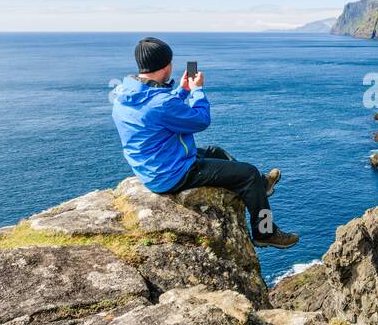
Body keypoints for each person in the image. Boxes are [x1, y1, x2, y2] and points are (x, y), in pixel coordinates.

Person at [110, 36, 299, 248]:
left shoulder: (125, 93)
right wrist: (198, 90)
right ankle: (265, 232)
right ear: (167, 66)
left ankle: (260, 186)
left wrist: (182, 91)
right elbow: (200, 121)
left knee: (214, 151)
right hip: (173, 174)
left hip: (152, 165)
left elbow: (157, 111)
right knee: (249, 173)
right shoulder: (161, 103)